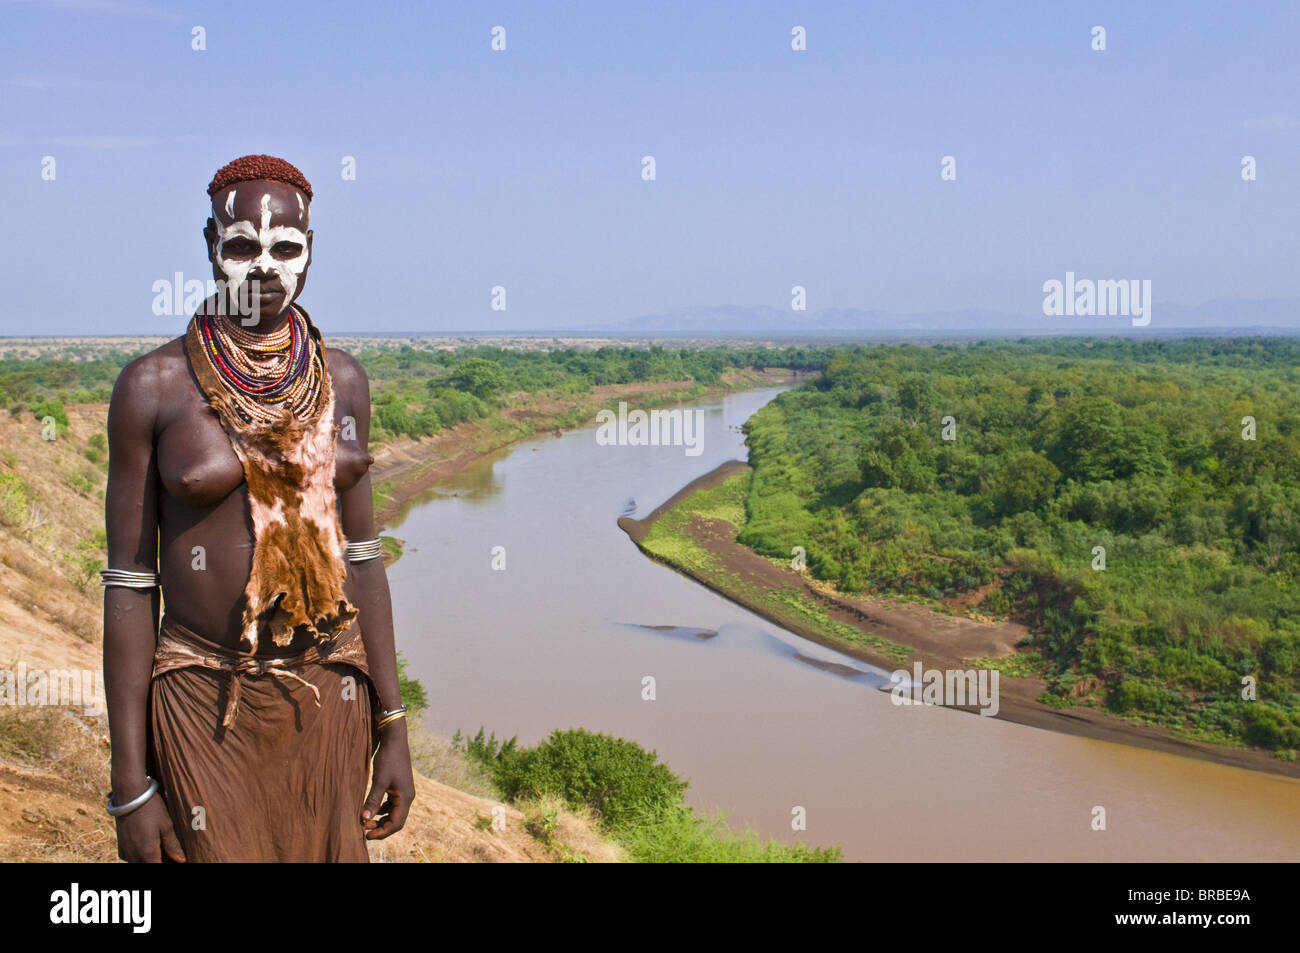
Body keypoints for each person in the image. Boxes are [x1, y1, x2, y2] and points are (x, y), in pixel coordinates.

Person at [101, 154, 415, 862]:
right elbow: (128, 585)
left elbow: (363, 561)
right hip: (204, 708)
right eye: (242, 245)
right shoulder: (153, 387)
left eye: (286, 248)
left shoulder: (344, 383)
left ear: (311, 253)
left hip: (331, 699)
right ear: (210, 245)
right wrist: (130, 783)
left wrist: (392, 724)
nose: (264, 267)